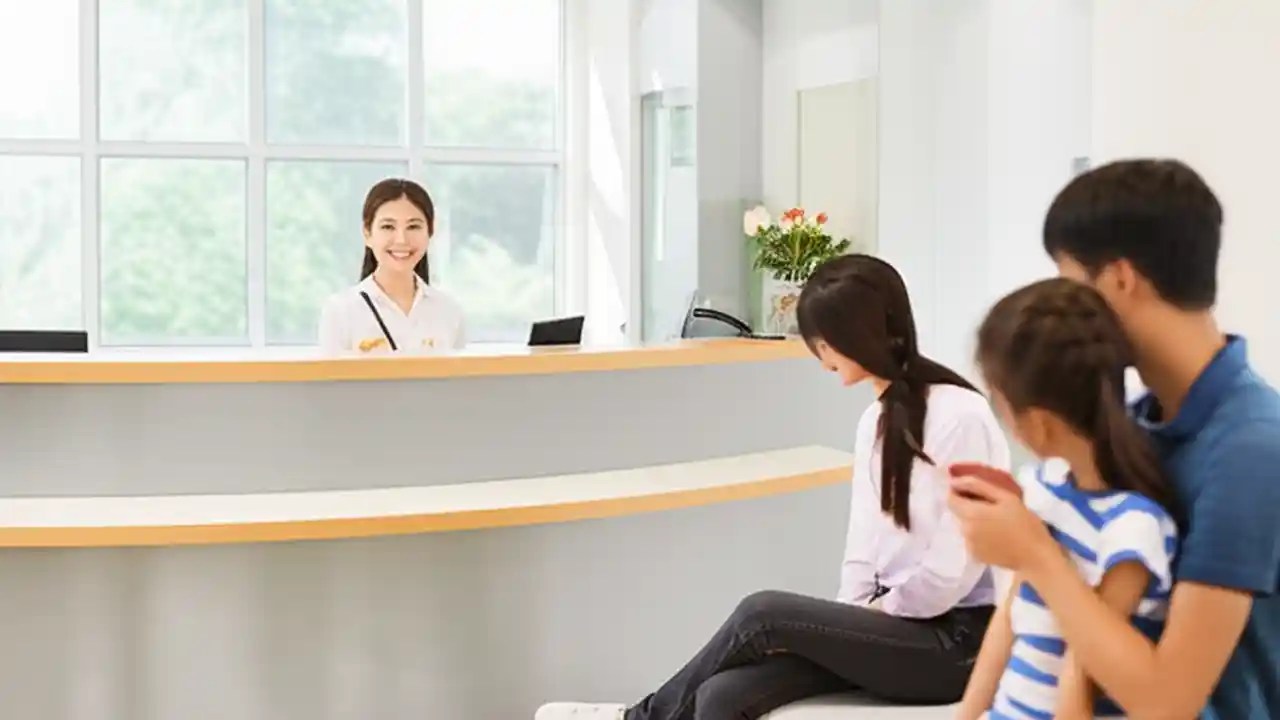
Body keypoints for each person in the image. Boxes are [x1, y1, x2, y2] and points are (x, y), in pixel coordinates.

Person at [536, 254, 1010, 720]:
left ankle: (638, 719)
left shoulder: (959, 417)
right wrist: (852, 624)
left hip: (955, 647)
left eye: (822, 339)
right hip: (894, 629)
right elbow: (863, 548)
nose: (817, 352)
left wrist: (875, 616)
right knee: (723, 696)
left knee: (761, 613)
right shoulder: (875, 421)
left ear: (856, 336)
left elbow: (952, 573)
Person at [948, 159, 1280, 718]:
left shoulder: (1251, 450)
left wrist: (1033, 551)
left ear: (1120, 280)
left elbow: (1167, 701)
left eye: (1069, 278)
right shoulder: (1133, 418)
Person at [954, 278, 1179, 719]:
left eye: (1000, 403)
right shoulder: (1045, 486)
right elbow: (1008, 619)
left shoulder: (1132, 528)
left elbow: (1084, 668)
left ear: (1037, 424)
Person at [318, 178, 465, 354]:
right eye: (388, 227)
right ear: (367, 234)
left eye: (413, 227)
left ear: (430, 232)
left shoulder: (449, 311)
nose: (401, 239)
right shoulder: (341, 311)